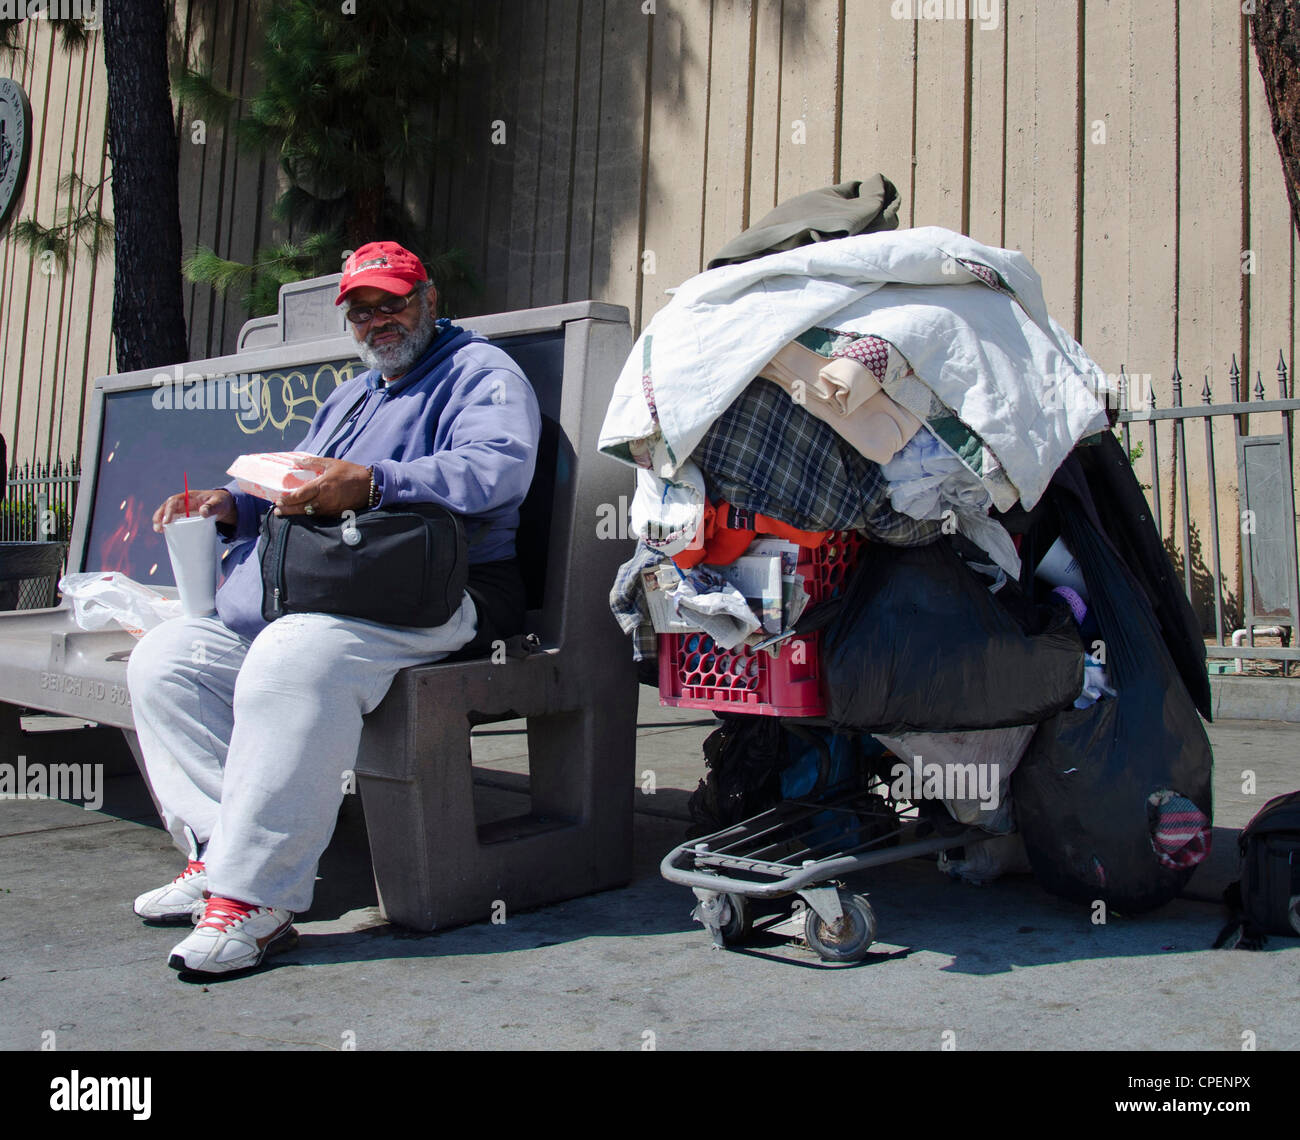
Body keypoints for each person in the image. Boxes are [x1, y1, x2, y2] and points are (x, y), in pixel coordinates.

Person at [127, 241, 541, 975]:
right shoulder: (354, 391)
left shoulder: (480, 371)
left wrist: (377, 484)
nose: (379, 320)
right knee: (169, 657)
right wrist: (236, 508)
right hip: (340, 588)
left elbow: (498, 470)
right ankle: (224, 851)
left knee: (295, 658)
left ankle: (254, 899)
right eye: (362, 311)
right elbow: (305, 484)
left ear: (431, 299)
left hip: (444, 588)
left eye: (394, 302)